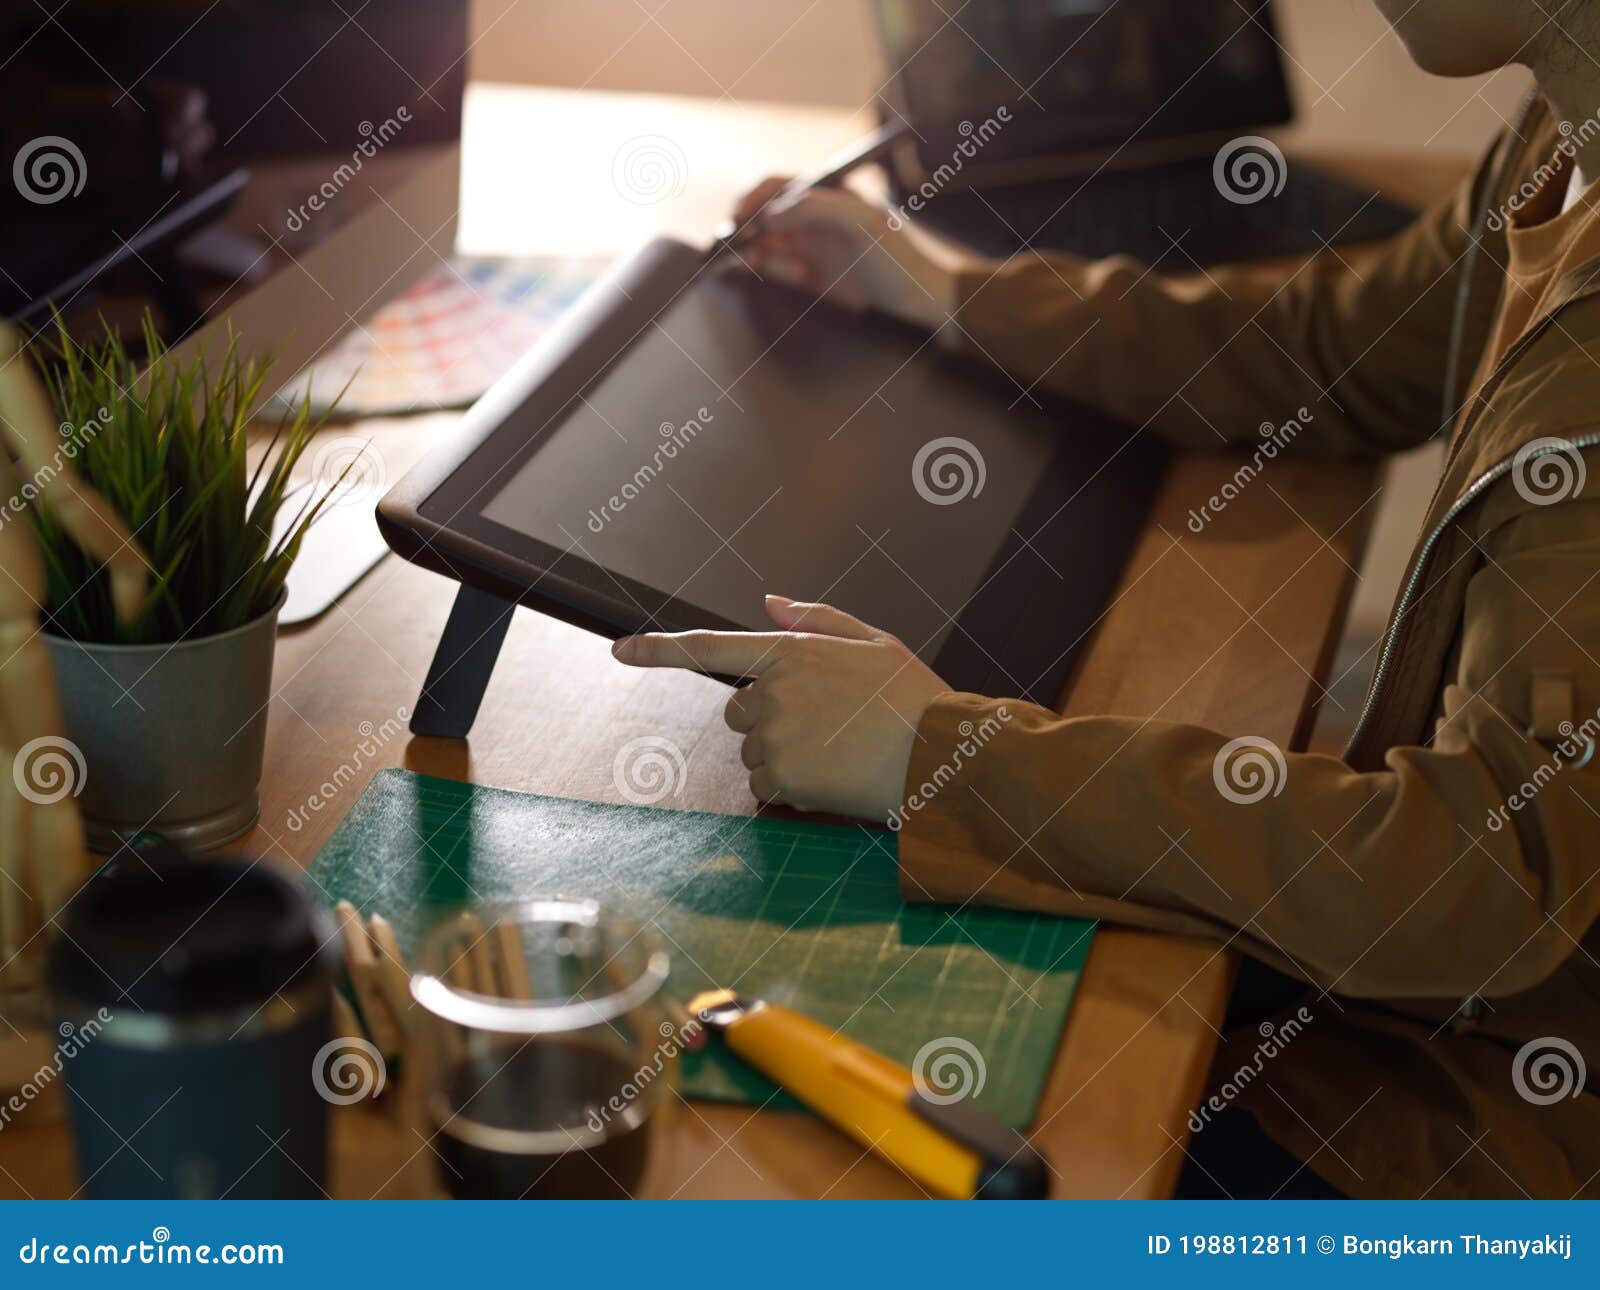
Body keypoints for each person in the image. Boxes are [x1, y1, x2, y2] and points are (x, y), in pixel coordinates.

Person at [612, 1, 1600, 1198]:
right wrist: (946, 290)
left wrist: (936, 759)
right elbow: (1324, 344)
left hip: (1498, 1123)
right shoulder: (1563, 131)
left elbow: (1480, 882)